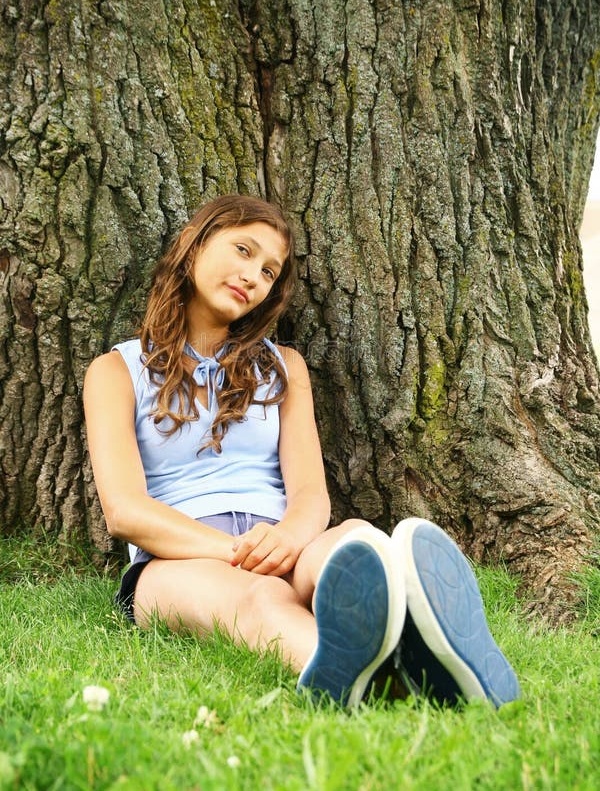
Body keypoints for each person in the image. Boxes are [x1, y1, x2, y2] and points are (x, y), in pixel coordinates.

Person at [84, 194, 521, 709]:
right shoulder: (115, 371)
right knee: (261, 597)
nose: (253, 275)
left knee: (357, 540)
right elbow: (126, 512)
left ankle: (424, 633)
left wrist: (289, 539)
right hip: (174, 563)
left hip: (280, 542)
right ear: (192, 245)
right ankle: (375, 685)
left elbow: (311, 494)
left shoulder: (283, 367)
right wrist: (237, 554)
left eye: (269, 271)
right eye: (243, 250)